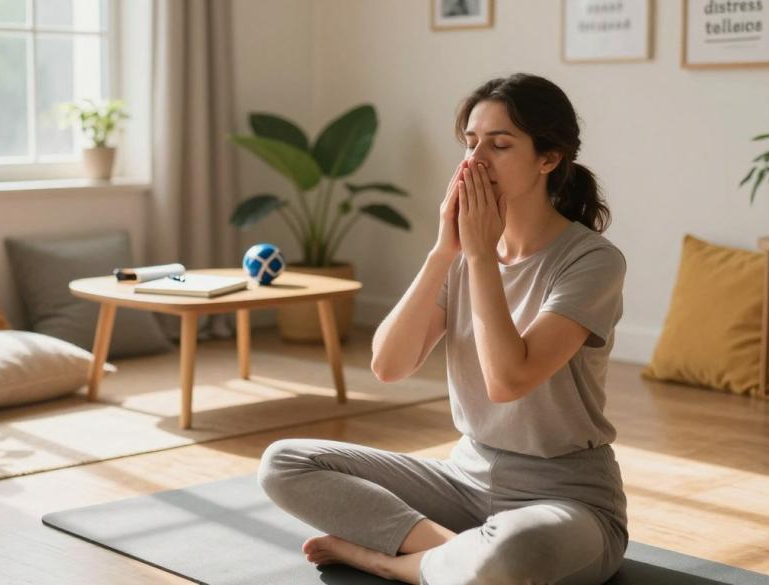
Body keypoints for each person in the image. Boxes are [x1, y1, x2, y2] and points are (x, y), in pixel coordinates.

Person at [257, 72, 628, 585]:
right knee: (283, 463)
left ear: (550, 158)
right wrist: (443, 251)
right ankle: (458, 556)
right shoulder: (460, 256)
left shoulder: (593, 261)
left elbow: (507, 381)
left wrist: (478, 255)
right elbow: (388, 366)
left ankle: (389, 560)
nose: (476, 161)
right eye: (471, 143)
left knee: (515, 554)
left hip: (565, 498)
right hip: (464, 481)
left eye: (499, 145)